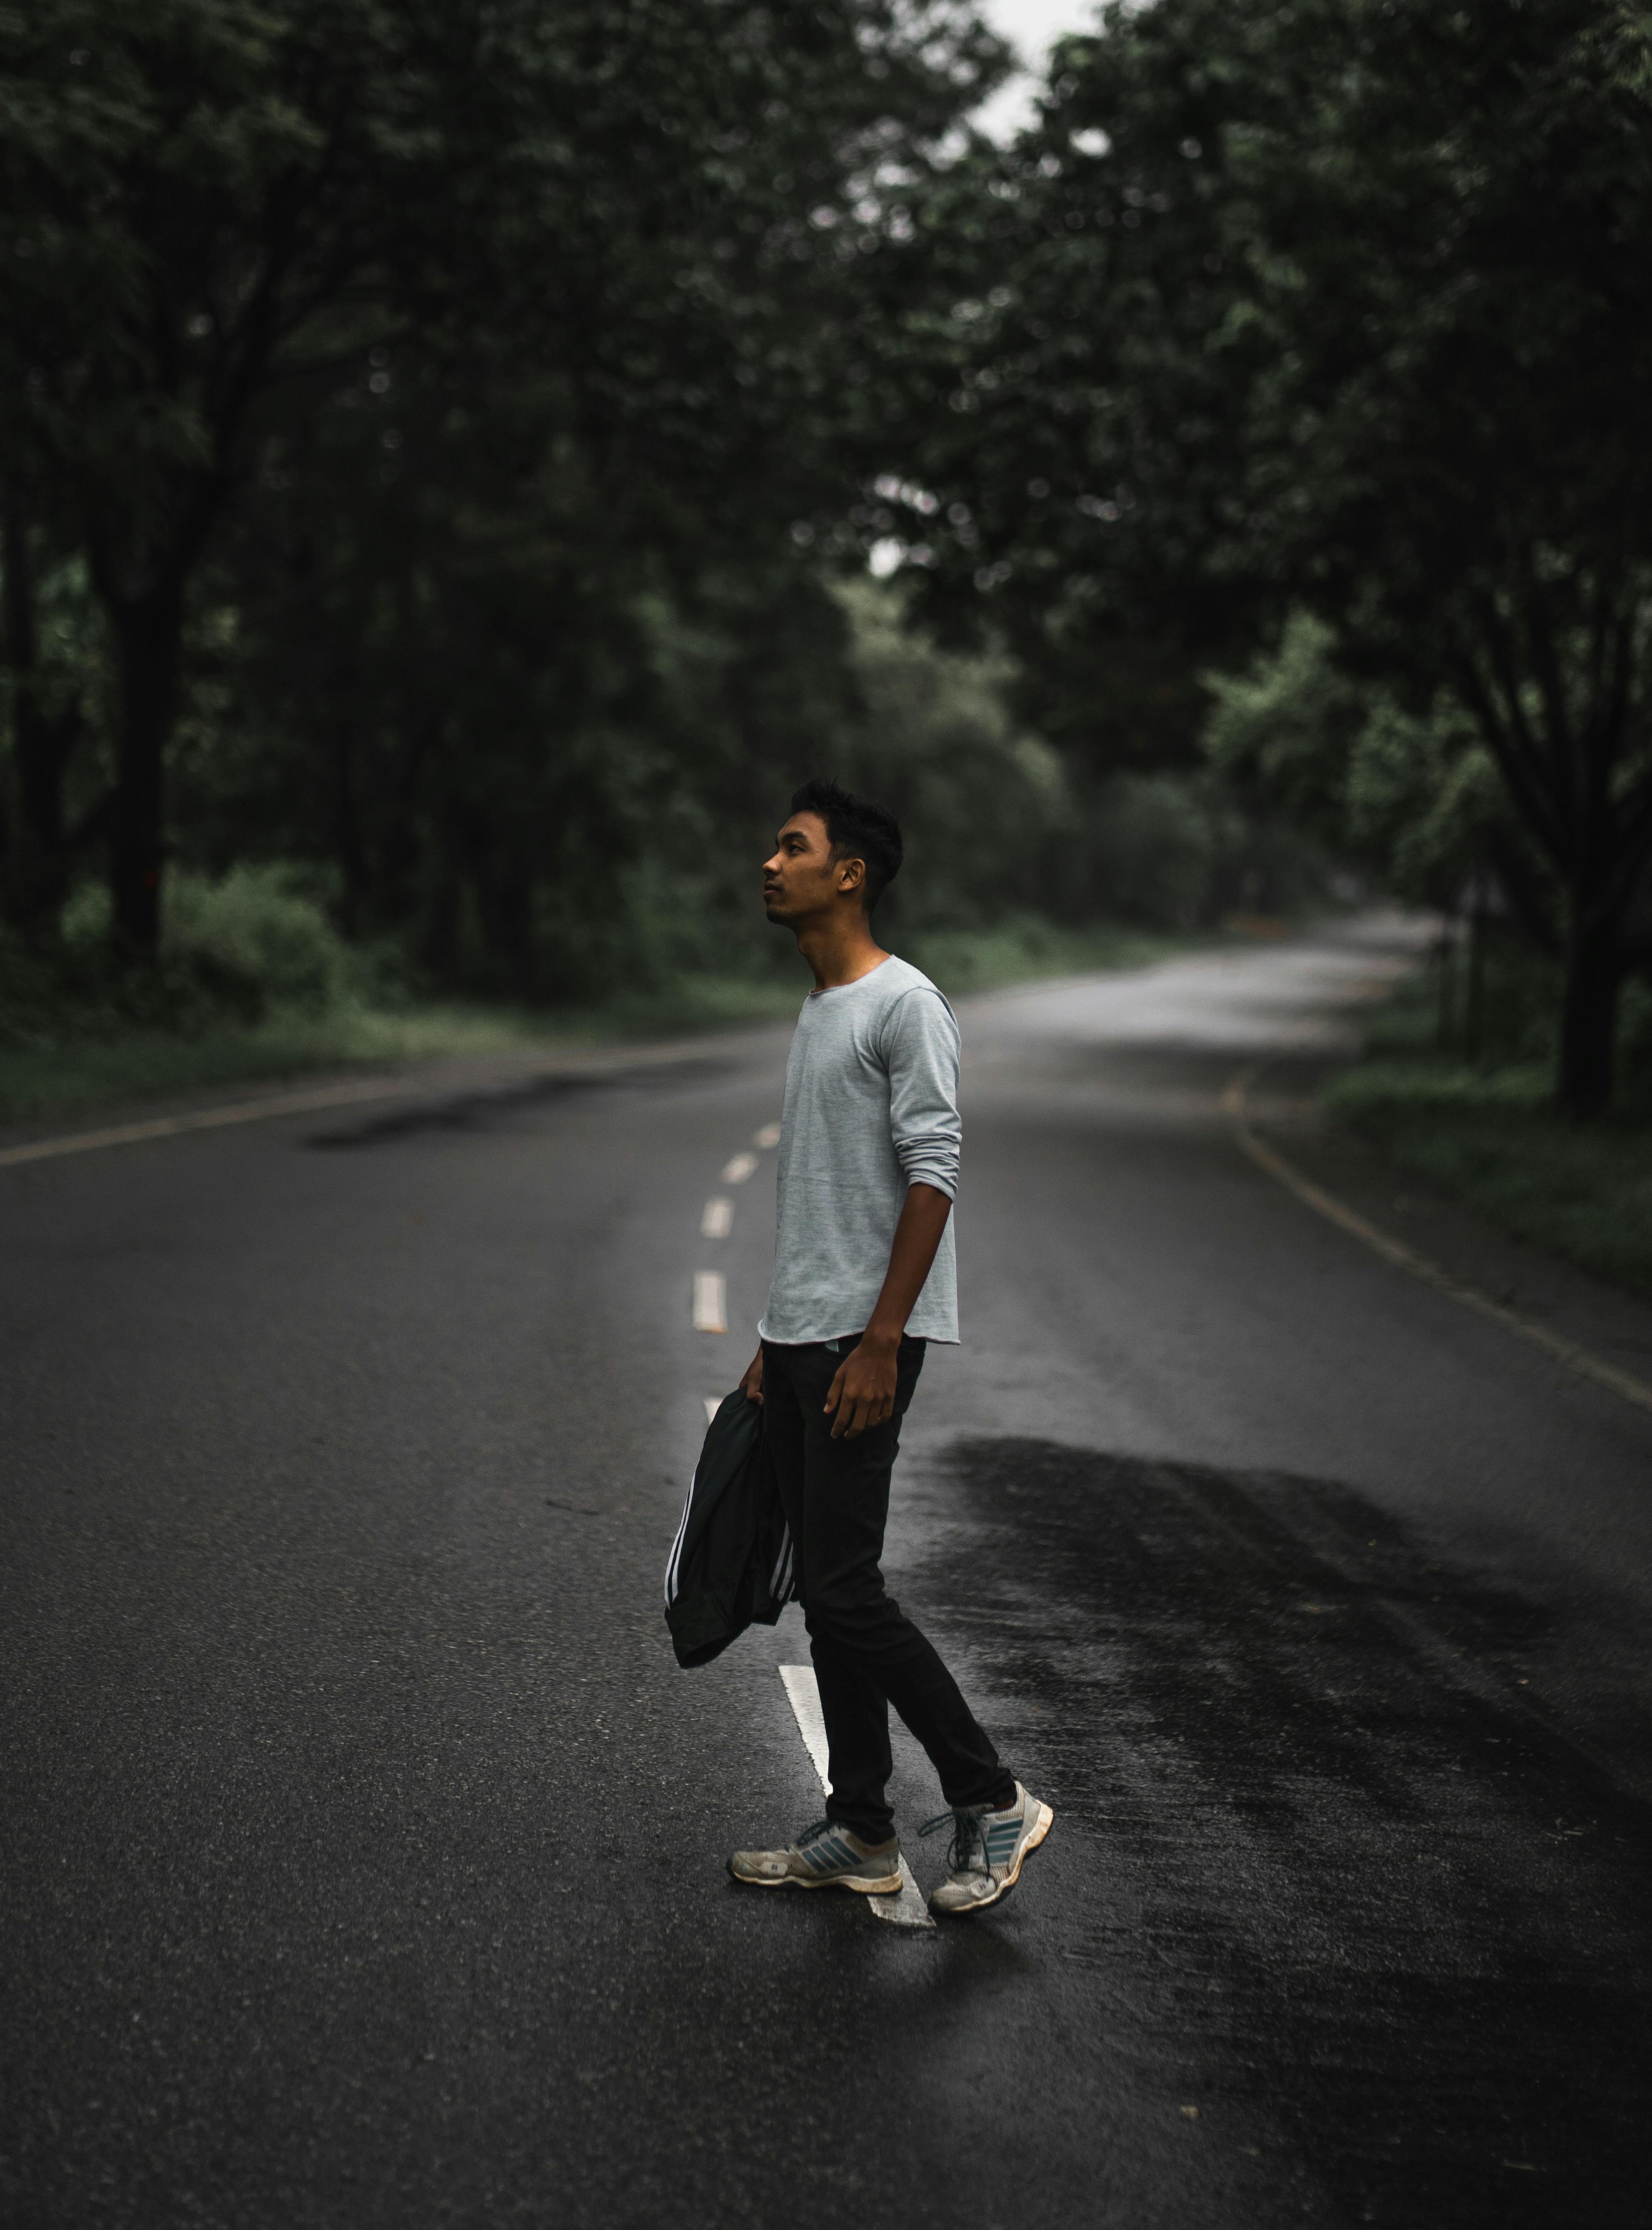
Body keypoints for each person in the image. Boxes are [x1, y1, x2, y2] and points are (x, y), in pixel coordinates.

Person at [727, 777, 1052, 1918]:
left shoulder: (901, 1005)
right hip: (806, 1338)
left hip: (864, 1344)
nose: (770, 864)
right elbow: (821, 1203)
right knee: (827, 1590)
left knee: (849, 1592)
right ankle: (863, 1827)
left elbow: (932, 1177)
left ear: (848, 873)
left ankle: (993, 1797)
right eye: (774, 848)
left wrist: (878, 1340)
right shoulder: (822, 1009)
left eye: (793, 847)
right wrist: (776, 1337)